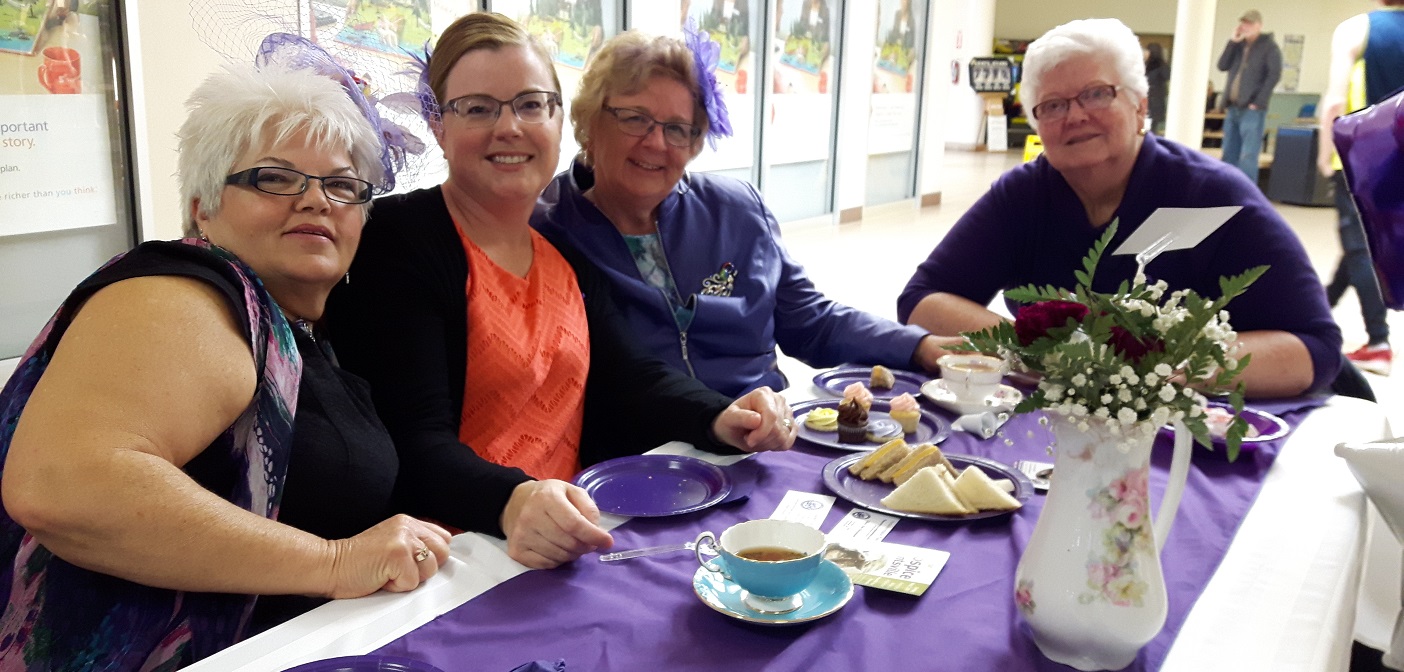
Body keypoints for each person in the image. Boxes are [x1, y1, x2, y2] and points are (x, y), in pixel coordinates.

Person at [0, 57, 452, 669]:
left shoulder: (295, 328)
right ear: (203, 208)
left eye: (341, 185)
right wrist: (335, 563)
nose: (316, 200)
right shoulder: (190, 291)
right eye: (275, 178)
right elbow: (64, 486)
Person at [326, 13, 796, 571]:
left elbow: (633, 377)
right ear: (437, 124)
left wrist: (721, 416)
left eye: (531, 104)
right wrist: (512, 501)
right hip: (452, 561)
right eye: (478, 108)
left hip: (564, 540)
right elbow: (407, 441)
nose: (510, 127)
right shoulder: (397, 240)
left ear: (556, 118)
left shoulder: (565, 257)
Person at [897, 18, 1342, 400]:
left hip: (1198, 431)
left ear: (1140, 105)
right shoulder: (1023, 196)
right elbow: (922, 300)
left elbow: (1314, 349)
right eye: (1053, 105)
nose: (1075, 116)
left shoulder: (1213, 195)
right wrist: (1043, 352)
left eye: (1096, 94)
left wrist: (1158, 369)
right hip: (1062, 420)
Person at [530, 28, 954, 399]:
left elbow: (810, 322)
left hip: (761, 431)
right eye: (634, 118)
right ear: (591, 121)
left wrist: (916, 345)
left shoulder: (737, 211)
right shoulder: (546, 231)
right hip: (643, 448)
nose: (656, 143)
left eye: (677, 128)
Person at [1315, 0, 1404, 375]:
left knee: (1360, 245)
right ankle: (1318, 310)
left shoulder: (1357, 29)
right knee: (1361, 242)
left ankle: (1379, 341)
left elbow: (1335, 101)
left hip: (1364, 156)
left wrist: (1324, 152)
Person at [1216, 9, 1282, 185]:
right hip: (1233, 106)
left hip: (1252, 109)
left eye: (1250, 23)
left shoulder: (1269, 47)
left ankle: (1245, 190)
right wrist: (1232, 42)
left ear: (1259, 26)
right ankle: (1226, 188)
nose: (1245, 27)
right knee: (1229, 150)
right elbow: (1222, 65)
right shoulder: (1237, 46)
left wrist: (1259, 101)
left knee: (1248, 154)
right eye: (1243, 23)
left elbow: (1274, 75)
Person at [1143, 43, 1169, 135]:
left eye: (1147, 50)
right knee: (1145, 126)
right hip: (1148, 98)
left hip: (1155, 101)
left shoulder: (1161, 66)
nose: (1145, 53)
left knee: (1153, 126)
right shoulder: (1145, 65)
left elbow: (1166, 77)